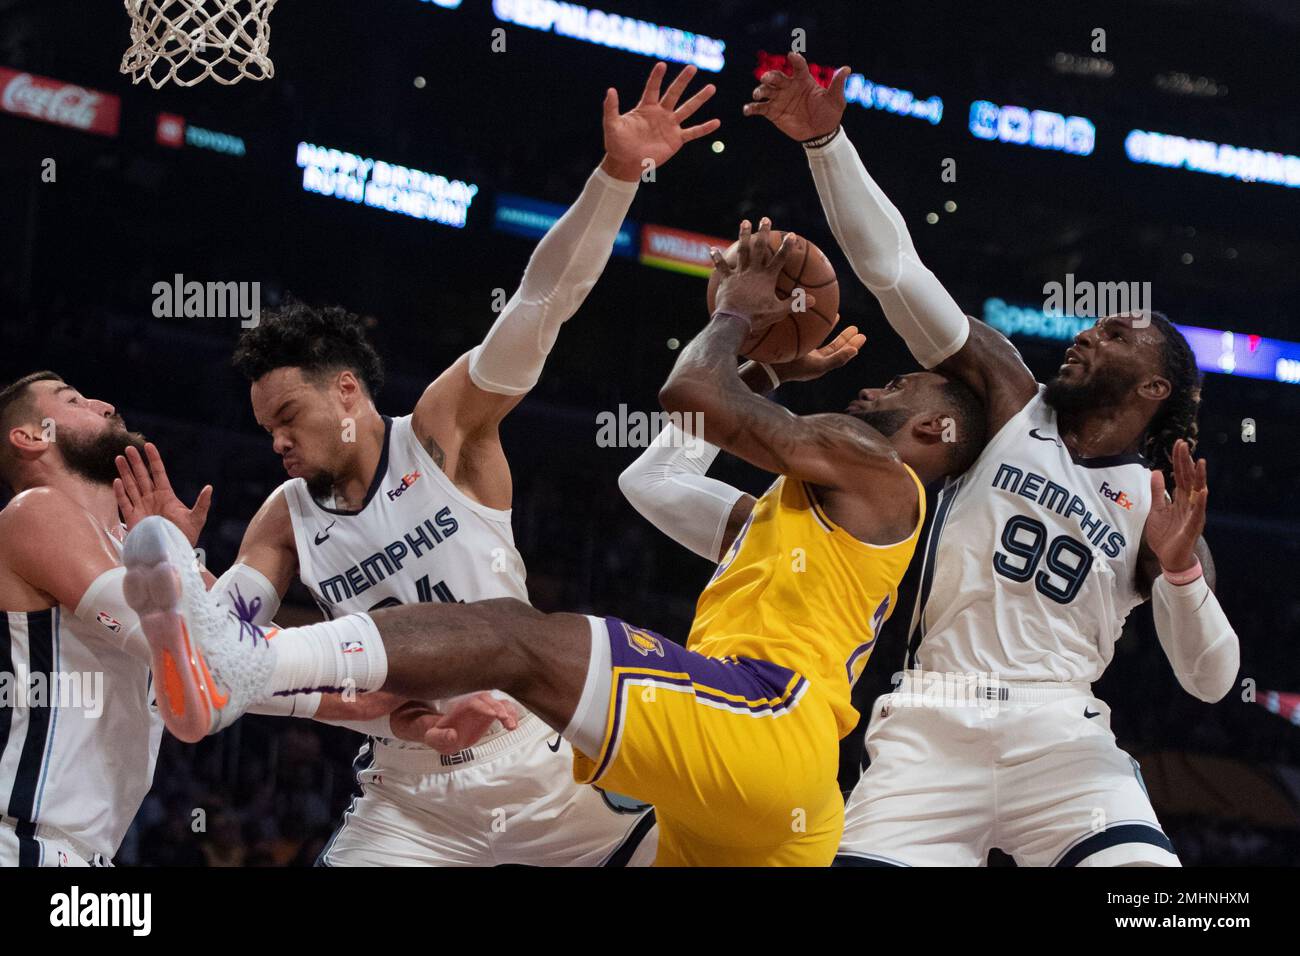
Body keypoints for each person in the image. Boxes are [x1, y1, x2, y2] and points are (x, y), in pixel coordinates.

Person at [120, 218, 986, 866]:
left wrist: (735, 317)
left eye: (903, 386)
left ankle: (247, 664)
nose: (877, 385)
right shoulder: (787, 523)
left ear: (941, 432)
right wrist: (760, 369)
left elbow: (687, 391)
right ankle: (242, 665)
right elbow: (652, 479)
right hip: (745, 782)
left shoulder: (881, 474)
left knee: (510, 632)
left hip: (754, 715)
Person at [139, 61, 722, 867]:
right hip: (410, 792)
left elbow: (539, 304)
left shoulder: (445, 431)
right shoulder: (284, 515)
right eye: (264, 426)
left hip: (535, 762)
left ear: (347, 392)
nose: (275, 440)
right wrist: (186, 577)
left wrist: (617, 177)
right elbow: (234, 648)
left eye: (288, 416)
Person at [746, 51, 1240, 867]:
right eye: (1093, 324)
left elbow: (1212, 682)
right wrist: (828, 143)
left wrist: (1181, 573)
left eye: (1115, 335)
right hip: (930, 724)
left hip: (1064, 738)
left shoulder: (1159, 505)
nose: (1087, 332)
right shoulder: (1010, 392)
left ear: (1154, 387)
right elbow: (896, 271)